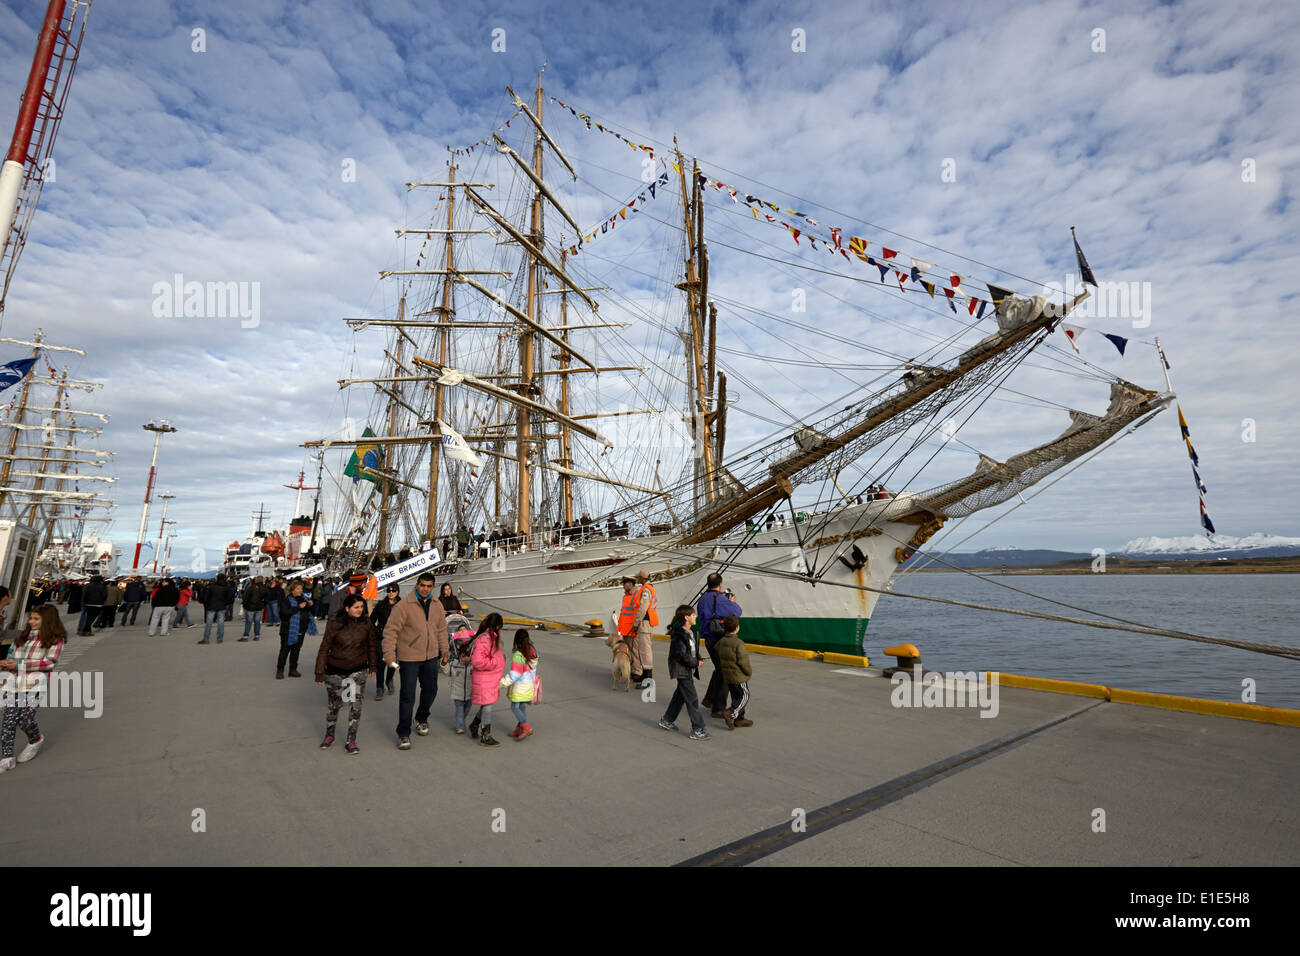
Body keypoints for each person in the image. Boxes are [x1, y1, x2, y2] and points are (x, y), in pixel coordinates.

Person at [381, 572, 448, 750]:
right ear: (417, 585)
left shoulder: (437, 605)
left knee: (431, 690)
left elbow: (441, 629)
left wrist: (445, 649)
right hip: (409, 657)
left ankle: (421, 717)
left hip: (431, 656)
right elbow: (390, 631)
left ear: (433, 587)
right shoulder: (403, 606)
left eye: (429, 586)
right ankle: (403, 733)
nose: (425, 589)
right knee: (407, 695)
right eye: (422, 585)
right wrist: (389, 655)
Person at [0, 605, 67, 772]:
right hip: (13, 684)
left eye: (36, 619)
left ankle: (35, 739)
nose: (31, 622)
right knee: (8, 720)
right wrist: (5, 664)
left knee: (25, 719)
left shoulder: (56, 640)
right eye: (31, 618)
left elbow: (50, 663)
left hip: (35, 684)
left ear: (48, 620)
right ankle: (7, 757)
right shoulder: (21, 637)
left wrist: (20, 664)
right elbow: (10, 655)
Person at [314, 594, 378, 754]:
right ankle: (329, 735)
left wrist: (373, 665)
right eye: (356, 607)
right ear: (347, 608)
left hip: (357, 670)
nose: (360, 610)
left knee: (355, 706)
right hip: (335, 671)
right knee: (334, 706)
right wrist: (319, 672)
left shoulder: (366, 623)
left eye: (362, 607)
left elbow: (371, 645)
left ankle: (351, 740)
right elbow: (324, 648)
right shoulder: (335, 624)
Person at [658, 604, 710, 740]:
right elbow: (680, 655)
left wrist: (698, 658)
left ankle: (667, 720)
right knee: (692, 700)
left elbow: (693, 651)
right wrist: (695, 663)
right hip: (682, 671)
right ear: (687, 618)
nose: (695, 617)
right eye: (693, 615)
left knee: (680, 696)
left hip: (688, 669)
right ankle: (697, 729)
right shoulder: (678, 635)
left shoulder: (692, 633)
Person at [697, 573, 743, 717]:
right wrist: (732, 602)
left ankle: (709, 699)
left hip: (708, 639)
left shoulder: (702, 599)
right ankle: (718, 708)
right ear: (720, 584)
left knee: (719, 669)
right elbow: (737, 612)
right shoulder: (720, 598)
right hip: (720, 639)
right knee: (726, 673)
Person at [467, 613, 506, 748]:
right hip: (485, 678)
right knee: (488, 706)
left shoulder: (492, 637)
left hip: (490, 678)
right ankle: (485, 735)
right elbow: (477, 661)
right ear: (496, 626)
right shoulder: (484, 639)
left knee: (486, 704)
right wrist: (495, 662)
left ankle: (474, 724)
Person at [713, 616, 753, 729]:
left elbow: (716, 650)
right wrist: (748, 672)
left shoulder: (722, 641)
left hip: (728, 675)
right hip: (738, 676)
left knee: (736, 696)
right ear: (737, 628)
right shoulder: (738, 643)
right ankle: (731, 713)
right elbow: (743, 661)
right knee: (745, 695)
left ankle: (739, 719)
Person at [503, 629, 539, 740]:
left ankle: (526, 727)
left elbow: (514, 675)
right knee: (521, 706)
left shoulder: (518, 655)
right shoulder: (532, 650)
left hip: (520, 686)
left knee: (514, 707)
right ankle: (519, 728)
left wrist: (500, 684)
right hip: (529, 685)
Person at [369, 584, 401, 700]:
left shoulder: (402, 605)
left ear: (398, 592)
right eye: (388, 590)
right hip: (382, 638)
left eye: (393, 591)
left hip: (397, 638)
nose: (391, 592)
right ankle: (379, 688)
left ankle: (389, 679)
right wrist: (377, 630)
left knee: (393, 663)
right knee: (381, 663)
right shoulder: (381, 605)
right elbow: (371, 620)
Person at [276, 581, 314, 679]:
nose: (300, 591)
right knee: (285, 650)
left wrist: (310, 605)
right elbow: (285, 613)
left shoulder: (303, 599)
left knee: (296, 650)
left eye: (301, 589)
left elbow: (307, 612)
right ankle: (280, 670)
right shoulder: (286, 600)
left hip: (301, 629)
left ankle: (293, 669)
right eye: (298, 589)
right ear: (292, 590)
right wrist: (298, 607)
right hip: (288, 629)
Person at [445, 613, 475, 733]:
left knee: (467, 708)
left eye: (467, 656)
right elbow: (447, 671)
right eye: (463, 657)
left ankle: (461, 720)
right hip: (457, 693)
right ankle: (460, 726)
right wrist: (444, 663)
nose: (465, 658)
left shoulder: (473, 666)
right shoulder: (456, 664)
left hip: (469, 692)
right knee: (459, 709)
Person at [629, 568, 658, 689]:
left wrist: (636, 624)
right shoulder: (651, 588)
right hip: (648, 622)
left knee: (645, 651)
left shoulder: (646, 590)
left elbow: (642, 608)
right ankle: (644, 676)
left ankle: (647, 680)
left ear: (642, 578)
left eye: (639, 577)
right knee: (643, 650)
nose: (637, 579)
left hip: (644, 623)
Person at [199, 574, 233, 645]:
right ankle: (220, 638)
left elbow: (206, 597)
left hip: (211, 606)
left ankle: (206, 639)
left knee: (209, 623)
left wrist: (207, 604)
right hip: (222, 606)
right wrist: (225, 603)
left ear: (217, 578)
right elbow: (229, 598)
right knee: (221, 623)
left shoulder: (211, 586)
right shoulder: (227, 587)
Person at [240, 577, 267, 641]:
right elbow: (266, 598)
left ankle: (246, 636)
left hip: (251, 607)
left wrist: (245, 605)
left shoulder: (252, 588)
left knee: (249, 622)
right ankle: (257, 635)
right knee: (257, 621)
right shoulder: (264, 588)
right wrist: (263, 604)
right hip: (259, 607)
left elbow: (246, 597)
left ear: (256, 581)